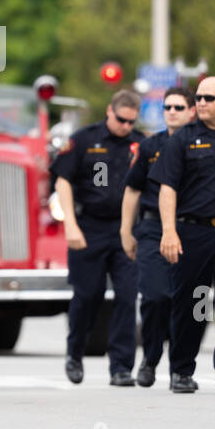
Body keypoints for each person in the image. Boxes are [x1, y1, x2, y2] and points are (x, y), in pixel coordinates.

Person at [152, 76, 215, 394]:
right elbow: (167, 187)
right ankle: (181, 370)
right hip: (191, 230)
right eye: (198, 98)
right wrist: (168, 231)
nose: (202, 103)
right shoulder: (181, 140)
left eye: (209, 98)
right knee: (189, 304)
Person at [53, 90, 144, 386]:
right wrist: (70, 225)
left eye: (131, 122)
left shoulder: (140, 144)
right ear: (109, 111)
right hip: (89, 226)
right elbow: (63, 180)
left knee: (128, 296)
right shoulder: (83, 140)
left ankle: (121, 367)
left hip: (126, 228)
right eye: (121, 120)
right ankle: (75, 353)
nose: (126, 126)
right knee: (87, 295)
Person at [120, 86, 194, 387]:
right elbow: (133, 189)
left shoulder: (202, 143)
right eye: (167, 107)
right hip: (152, 230)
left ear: (192, 110)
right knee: (155, 296)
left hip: (191, 228)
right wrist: (126, 230)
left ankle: (181, 370)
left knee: (186, 302)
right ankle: (150, 358)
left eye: (178, 107)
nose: (172, 112)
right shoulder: (150, 146)